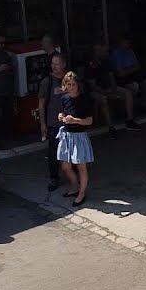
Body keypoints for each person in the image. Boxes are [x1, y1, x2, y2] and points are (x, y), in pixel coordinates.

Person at [54, 71, 94, 207]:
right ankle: (75, 186)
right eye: (68, 84)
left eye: (73, 84)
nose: (71, 87)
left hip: (79, 136)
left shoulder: (84, 99)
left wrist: (75, 120)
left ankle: (82, 193)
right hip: (66, 135)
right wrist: (61, 116)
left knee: (81, 167)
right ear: (65, 85)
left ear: (78, 85)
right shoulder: (64, 98)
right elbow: (64, 113)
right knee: (65, 166)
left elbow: (89, 121)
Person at [86, 43, 141, 137]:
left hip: (108, 87)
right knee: (103, 99)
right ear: (96, 52)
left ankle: (129, 120)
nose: (105, 52)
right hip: (95, 91)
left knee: (127, 93)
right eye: (102, 51)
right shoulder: (90, 65)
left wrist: (114, 89)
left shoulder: (106, 62)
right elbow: (93, 86)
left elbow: (112, 77)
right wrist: (107, 93)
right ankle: (111, 127)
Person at [38, 53, 68, 191]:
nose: (54, 67)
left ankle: (72, 175)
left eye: (57, 64)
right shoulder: (47, 82)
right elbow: (41, 104)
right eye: (52, 64)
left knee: (71, 151)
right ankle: (54, 177)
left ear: (63, 64)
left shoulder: (70, 79)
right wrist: (43, 124)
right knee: (53, 152)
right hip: (54, 124)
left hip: (69, 123)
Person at [110, 37, 146, 113]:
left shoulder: (130, 51)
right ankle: (130, 108)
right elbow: (120, 73)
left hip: (134, 76)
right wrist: (131, 68)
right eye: (125, 41)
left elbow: (137, 66)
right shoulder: (115, 53)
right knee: (134, 86)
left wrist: (128, 69)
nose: (128, 43)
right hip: (122, 79)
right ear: (120, 42)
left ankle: (144, 106)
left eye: (128, 42)